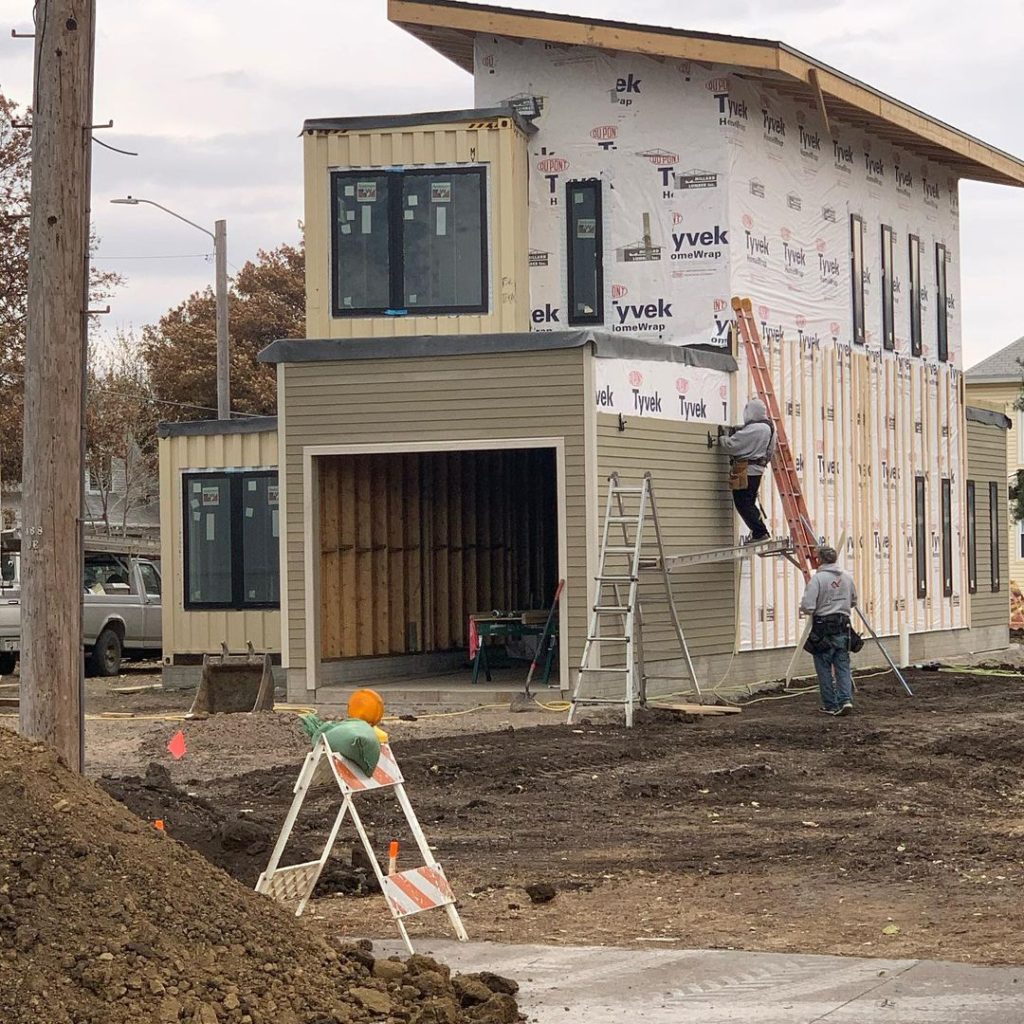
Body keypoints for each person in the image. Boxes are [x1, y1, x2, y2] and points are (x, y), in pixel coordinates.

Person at [800, 545, 857, 716]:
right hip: (843, 627)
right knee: (842, 665)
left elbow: (808, 606)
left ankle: (831, 705)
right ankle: (845, 700)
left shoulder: (817, 580)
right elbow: (853, 601)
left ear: (820, 560)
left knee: (824, 667)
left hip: (823, 628)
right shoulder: (847, 578)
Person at [718, 398, 776, 541]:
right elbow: (769, 451)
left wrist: (723, 438)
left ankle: (760, 532)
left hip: (746, 470)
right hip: (757, 469)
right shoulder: (769, 427)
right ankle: (760, 532)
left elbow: (733, 445)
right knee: (749, 502)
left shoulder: (756, 429)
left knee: (742, 502)